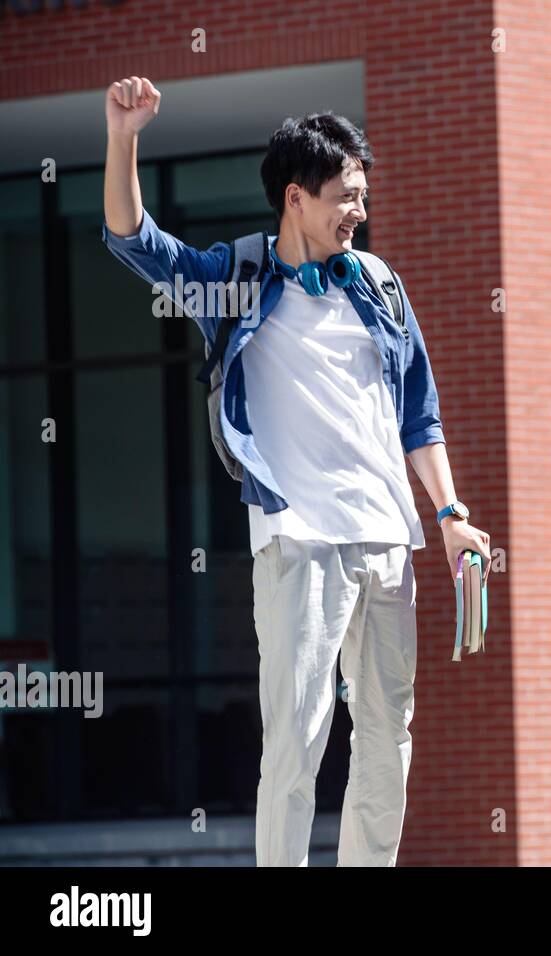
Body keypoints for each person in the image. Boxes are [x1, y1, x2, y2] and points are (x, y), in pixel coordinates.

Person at [101, 76, 491, 866]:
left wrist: (449, 518)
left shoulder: (379, 286)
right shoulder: (236, 280)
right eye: (345, 195)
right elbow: (135, 240)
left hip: (387, 543)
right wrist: (123, 137)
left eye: (363, 193)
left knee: (388, 737)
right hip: (300, 542)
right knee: (298, 739)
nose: (360, 210)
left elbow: (420, 416)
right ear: (295, 197)